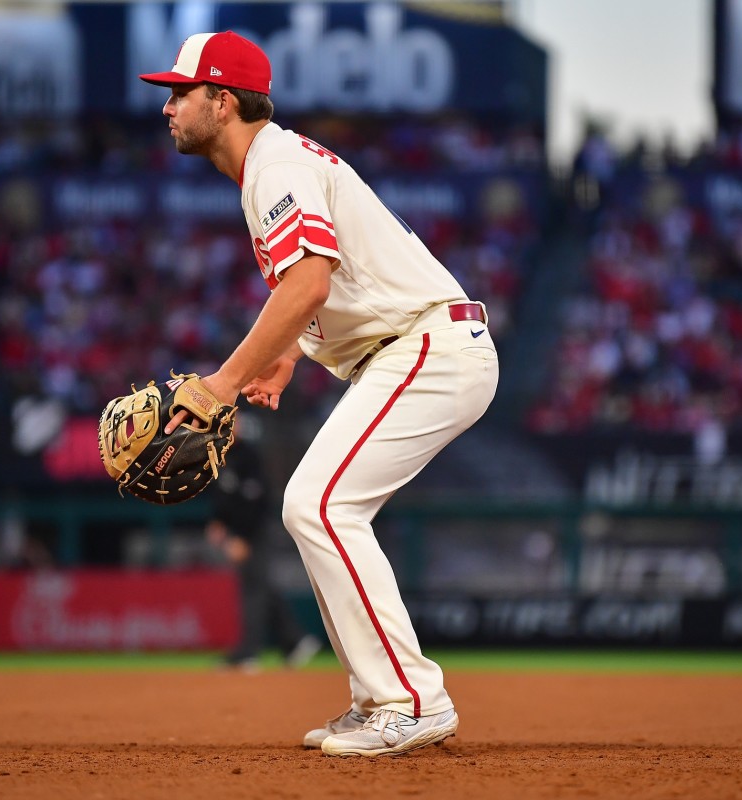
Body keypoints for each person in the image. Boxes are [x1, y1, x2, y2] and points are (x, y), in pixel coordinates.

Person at [141, 31, 498, 757]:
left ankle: (410, 700)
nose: (169, 107)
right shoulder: (273, 165)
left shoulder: (273, 165)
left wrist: (221, 385)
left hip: (429, 348)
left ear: (224, 100)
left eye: (181, 92)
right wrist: (287, 357)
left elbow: (308, 282)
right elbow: (330, 282)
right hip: (412, 348)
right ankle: (379, 700)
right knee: (315, 508)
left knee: (320, 504)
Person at [204, 413, 322, 672]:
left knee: (253, 591)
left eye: (231, 424)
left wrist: (243, 537)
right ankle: (295, 641)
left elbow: (255, 501)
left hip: (255, 531)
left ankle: (249, 653)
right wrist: (219, 521)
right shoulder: (221, 456)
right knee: (260, 587)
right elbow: (224, 496)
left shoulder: (248, 456)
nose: (226, 428)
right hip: (240, 532)